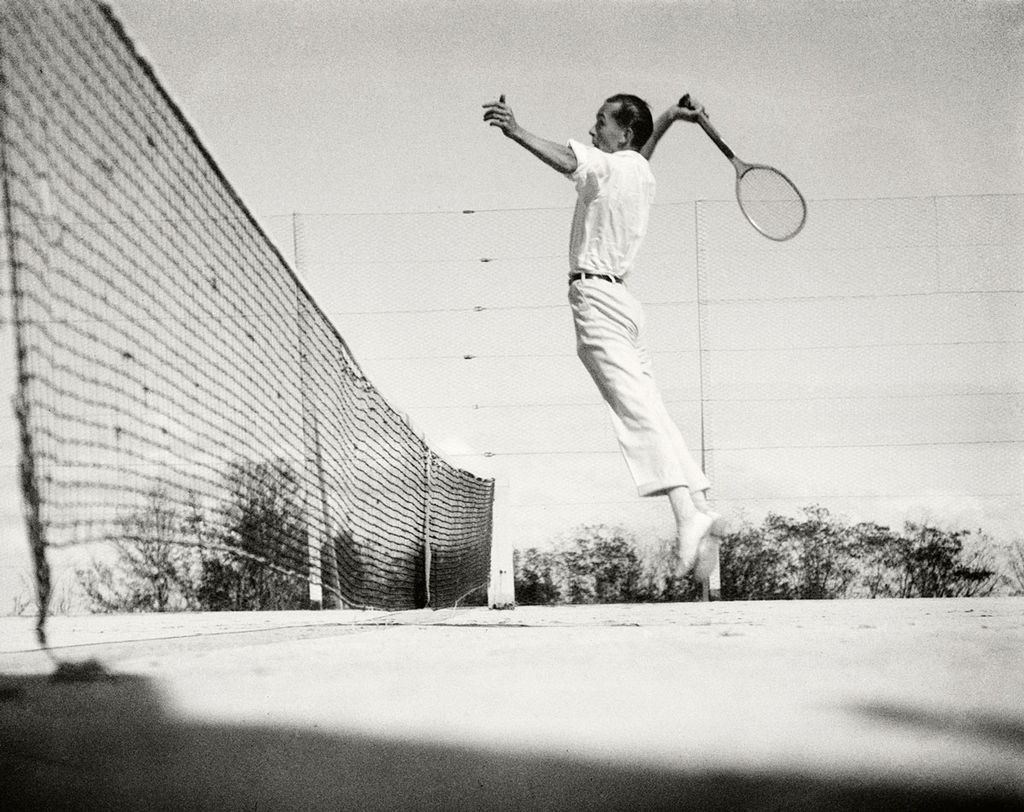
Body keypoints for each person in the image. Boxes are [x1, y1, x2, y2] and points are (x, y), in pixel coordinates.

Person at [482, 92, 725, 579]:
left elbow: (567, 159)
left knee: (636, 411)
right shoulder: (639, 171)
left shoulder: (608, 166)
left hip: (596, 300)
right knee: (650, 407)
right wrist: (672, 119)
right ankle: (697, 501)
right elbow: (638, 152)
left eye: (601, 122)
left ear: (623, 134)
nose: (593, 130)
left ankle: (689, 515)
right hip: (626, 307)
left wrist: (516, 131)